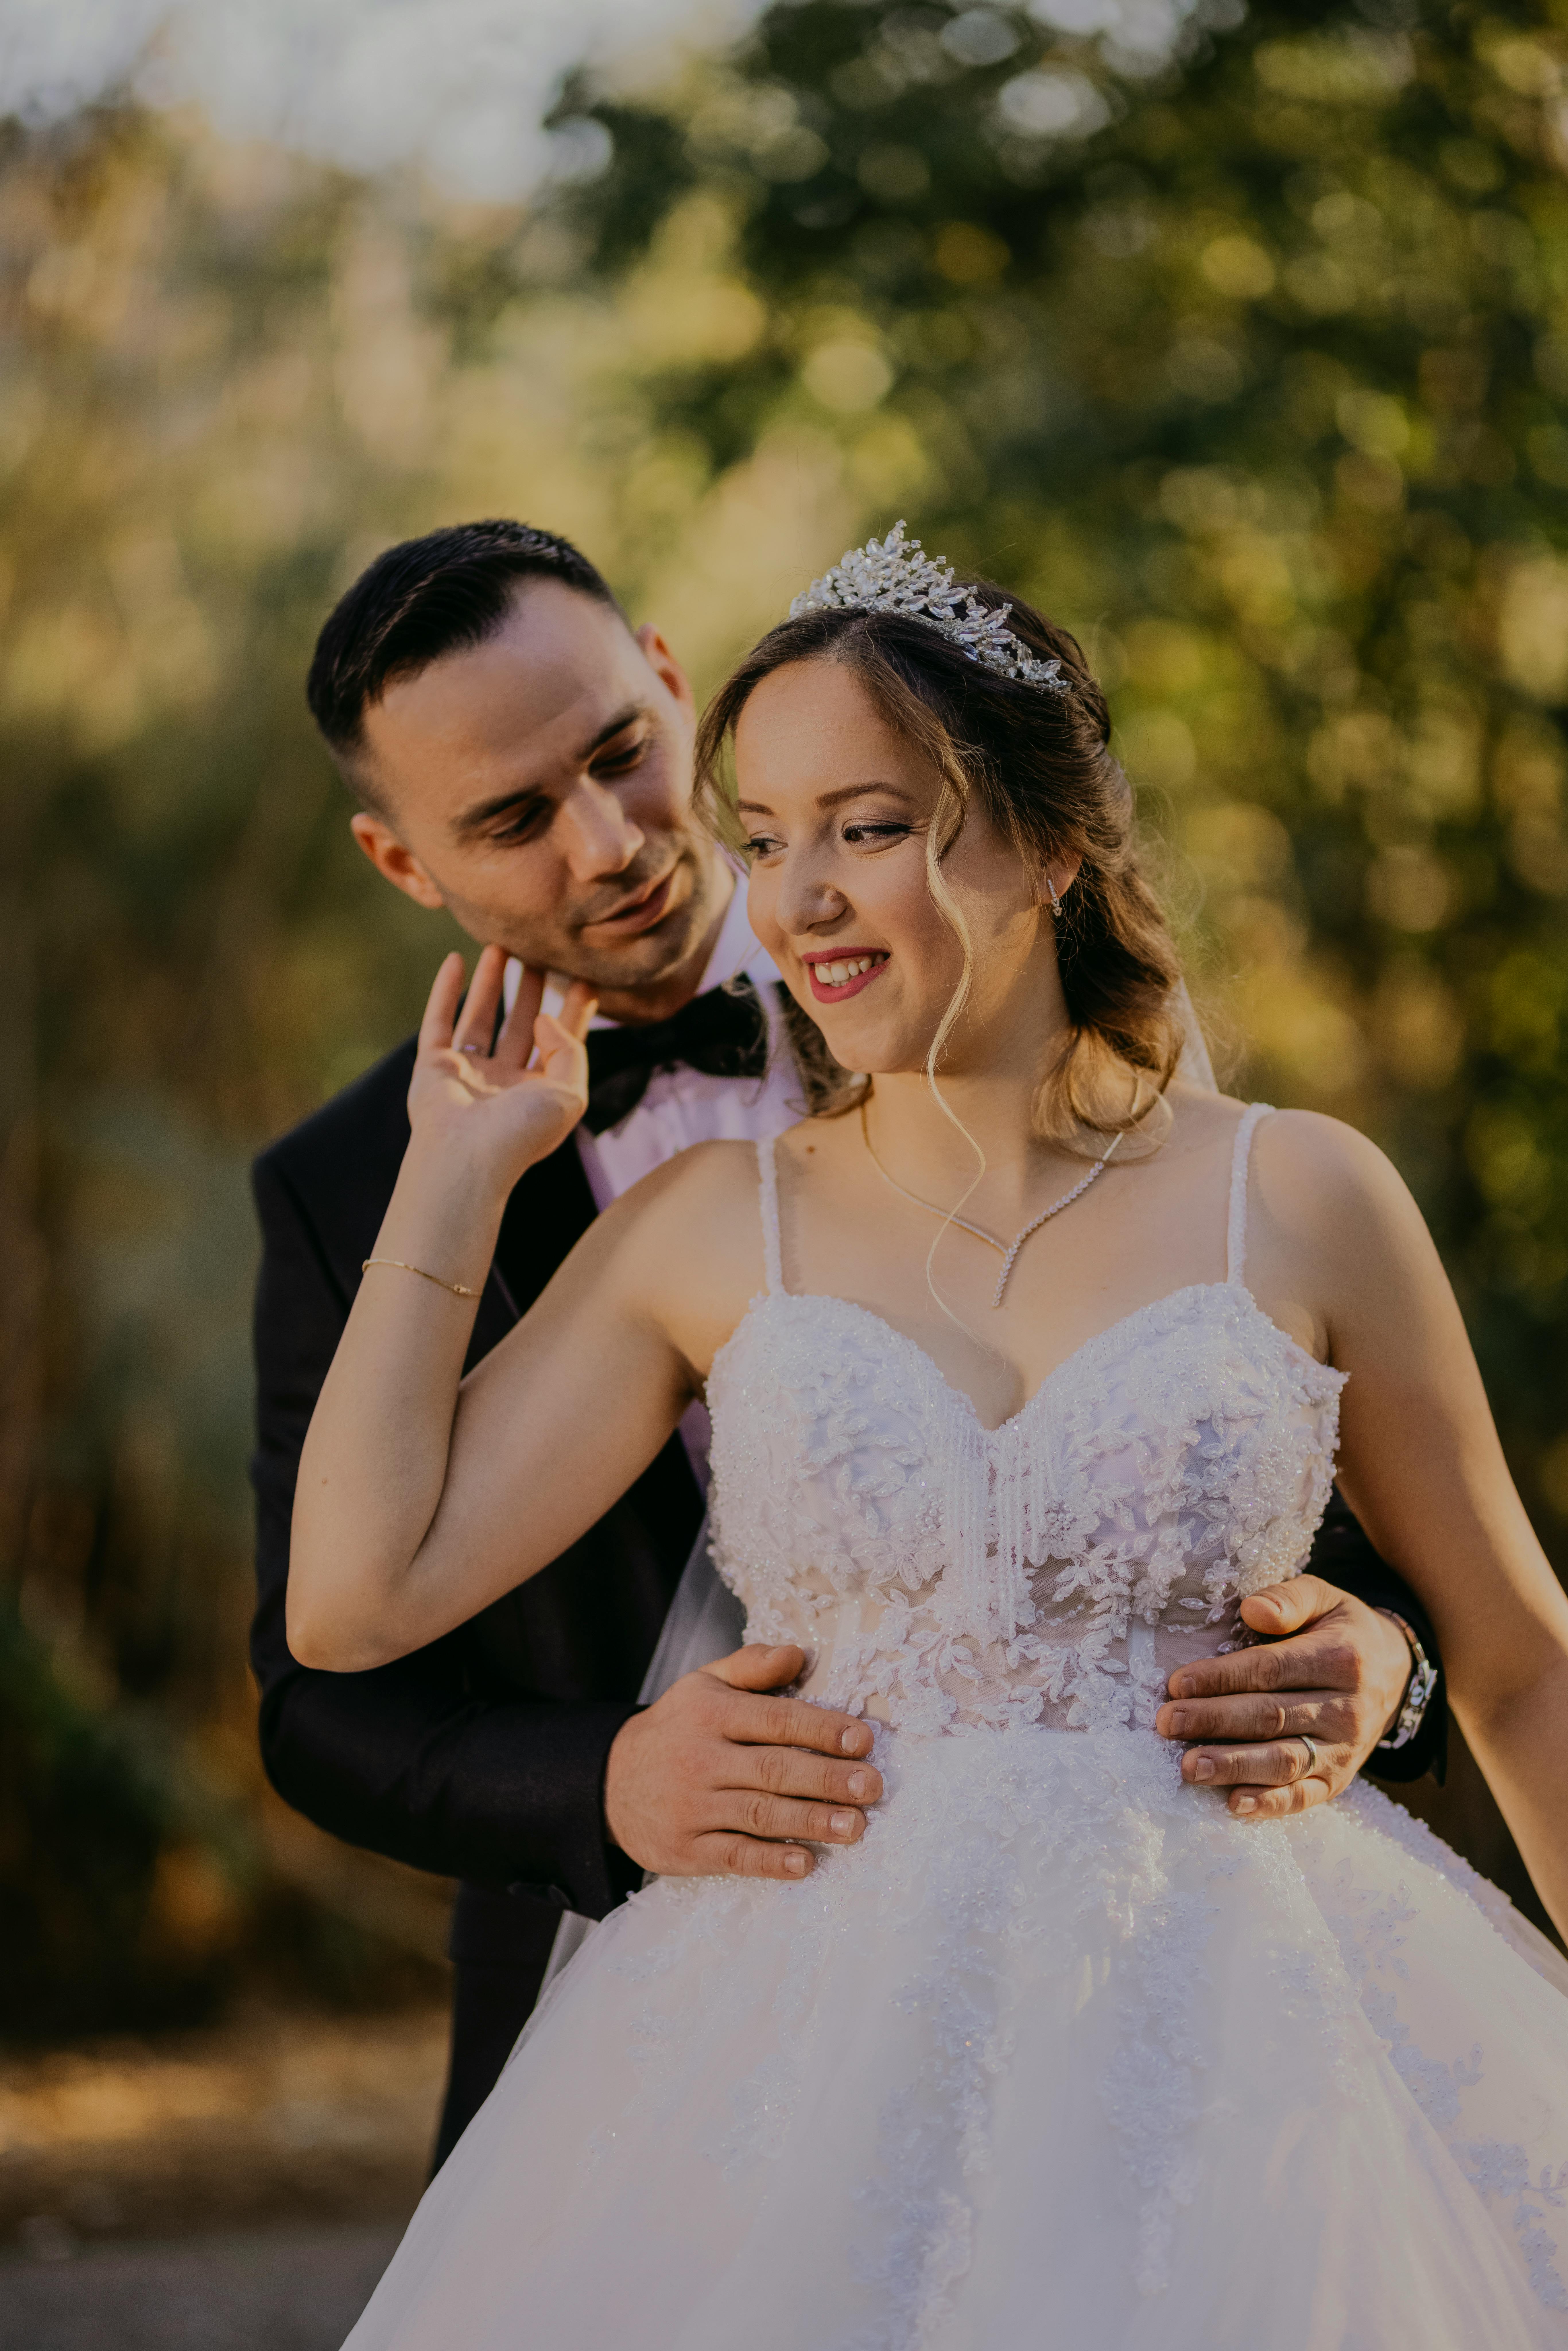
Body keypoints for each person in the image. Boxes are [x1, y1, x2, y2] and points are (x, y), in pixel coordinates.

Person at [289, 528, 1568, 2348]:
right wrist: (456, 1167)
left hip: (1262, 2043)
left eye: (869, 826)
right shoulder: (714, 1230)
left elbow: (1521, 1663)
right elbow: (349, 1603)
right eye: (767, 836)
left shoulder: (1301, 1195)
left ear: (1050, 841)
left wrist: (1381, 1662)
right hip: (791, 2058)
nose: (797, 894)